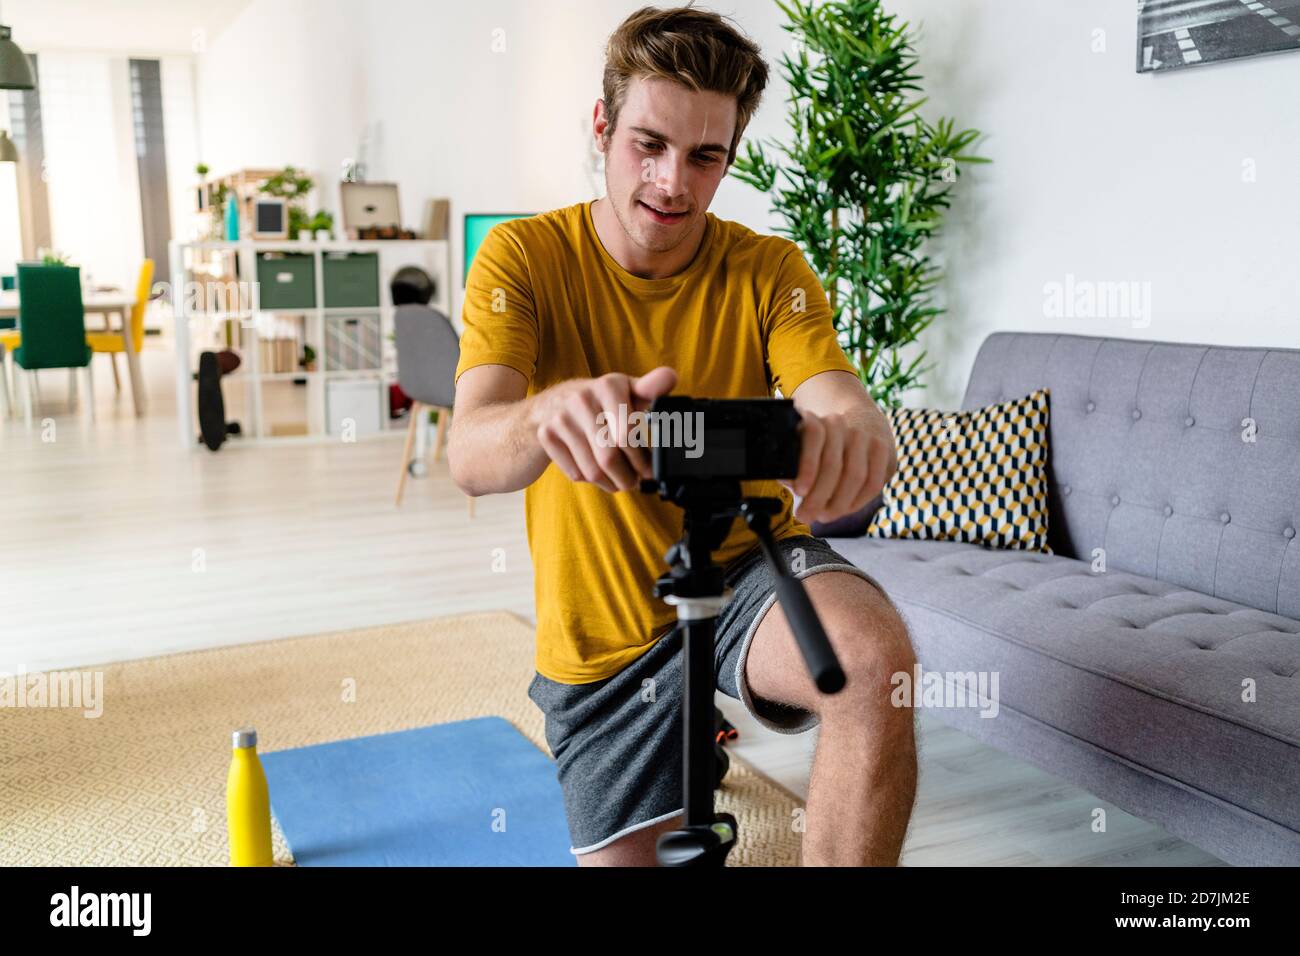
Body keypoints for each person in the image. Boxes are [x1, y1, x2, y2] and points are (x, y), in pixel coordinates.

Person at [448, 5, 917, 866]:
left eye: (708, 157)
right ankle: (683, 726)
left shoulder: (770, 268)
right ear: (601, 125)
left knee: (869, 662)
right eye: (648, 145)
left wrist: (854, 424)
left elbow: (836, 391)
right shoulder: (522, 258)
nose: (673, 183)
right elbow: (470, 453)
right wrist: (543, 416)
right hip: (603, 631)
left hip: (745, 565)